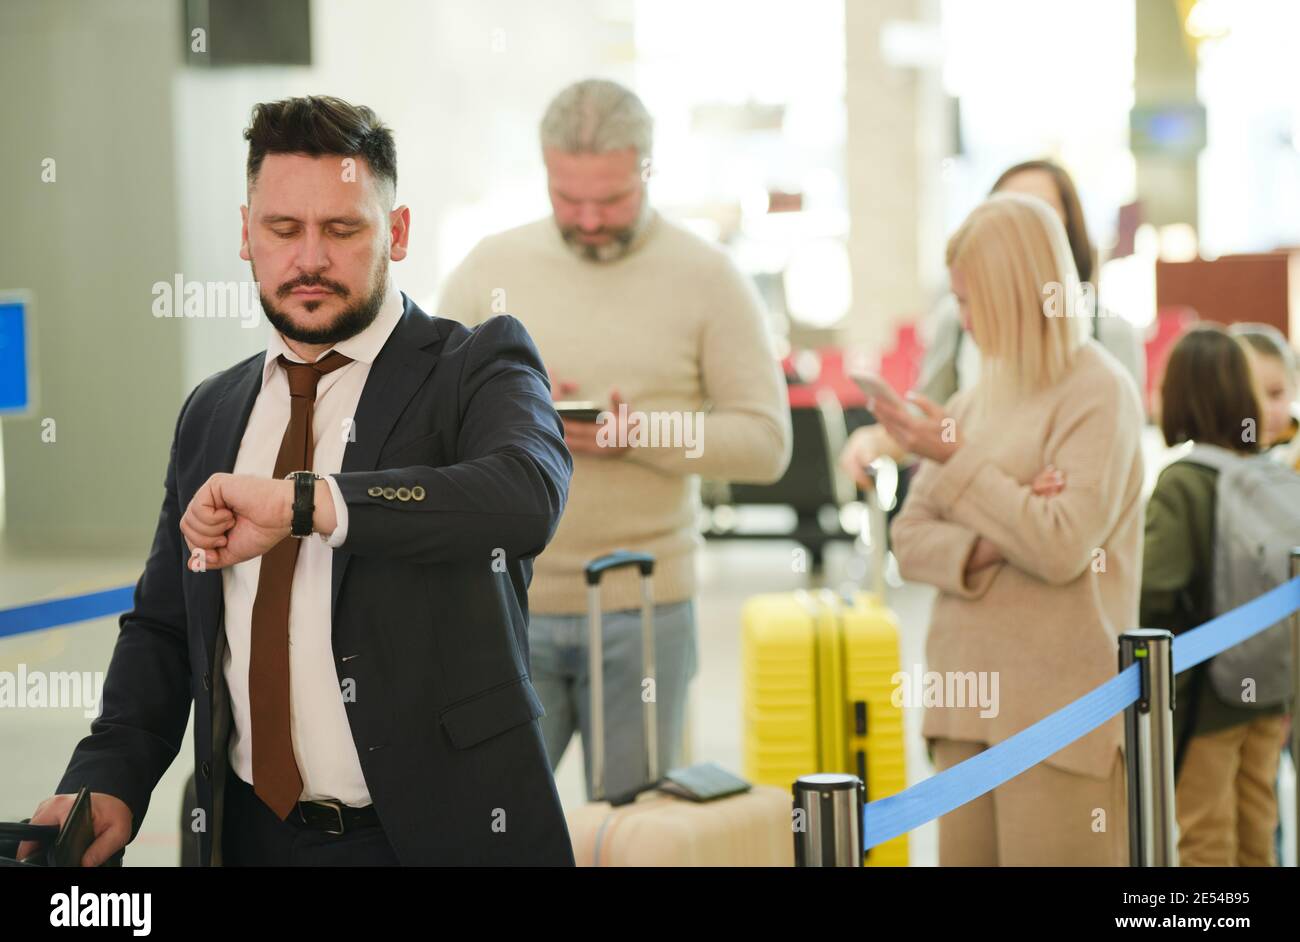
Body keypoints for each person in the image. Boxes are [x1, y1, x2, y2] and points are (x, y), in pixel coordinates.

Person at [20, 95, 575, 867]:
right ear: (246, 234)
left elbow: (524, 495)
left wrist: (306, 502)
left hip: (433, 837)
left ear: (398, 232)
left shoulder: (474, 367)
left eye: (343, 229)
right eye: (283, 229)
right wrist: (108, 779)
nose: (309, 258)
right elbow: (164, 624)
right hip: (249, 835)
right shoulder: (212, 410)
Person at [437, 79, 791, 800]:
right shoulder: (488, 270)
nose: (591, 219)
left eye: (613, 199)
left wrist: (643, 434)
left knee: (639, 838)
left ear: (649, 170)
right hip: (507, 603)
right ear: (545, 170)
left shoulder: (709, 277)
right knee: (491, 826)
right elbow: (428, 428)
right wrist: (520, 416)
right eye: (570, 199)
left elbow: (766, 442)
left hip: (647, 611)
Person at [882, 193, 1145, 866]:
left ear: (1016, 294)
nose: (962, 322)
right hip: (963, 709)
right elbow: (909, 539)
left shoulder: (1099, 392)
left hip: (1057, 714)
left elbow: (1060, 546)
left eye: (972, 303)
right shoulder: (975, 399)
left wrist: (958, 468)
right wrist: (1006, 524)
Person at [841, 159, 1145, 489]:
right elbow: (936, 422)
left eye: (1037, 212)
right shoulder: (957, 323)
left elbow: (1115, 460)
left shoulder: (1107, 335)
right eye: (1002, 210)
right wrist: (879, 441)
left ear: (1066, 230)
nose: (1017, 229)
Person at [1141, 325, 1287, 866]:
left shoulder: (1182, 481)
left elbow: (1156, 589)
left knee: (1205, 835)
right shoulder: (1263, 474)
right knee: (1258, 823)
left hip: (1207, 697)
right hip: (1268, 689)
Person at [1232, 322, 1299, 472]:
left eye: (1275, 394)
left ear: (1294, 386)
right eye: (1249, 395)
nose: (1264, 409)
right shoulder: (1221, 450)